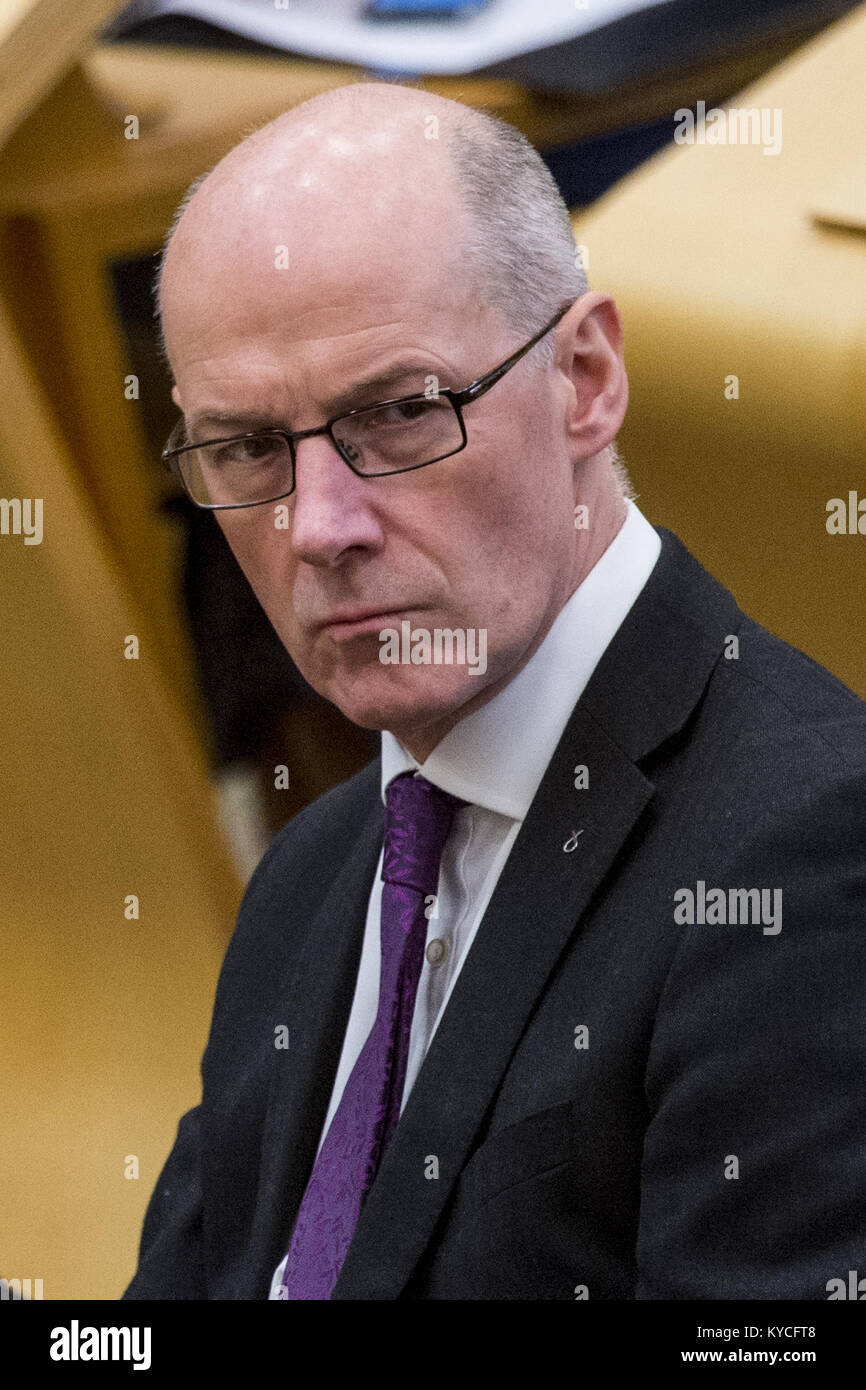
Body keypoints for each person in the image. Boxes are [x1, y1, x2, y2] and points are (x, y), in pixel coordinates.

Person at [123, 81, 866, 1300]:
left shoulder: (802, 859)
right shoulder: (311, 878)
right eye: (250, 449)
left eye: (400, 413)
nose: (318, 525)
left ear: (583, 378)